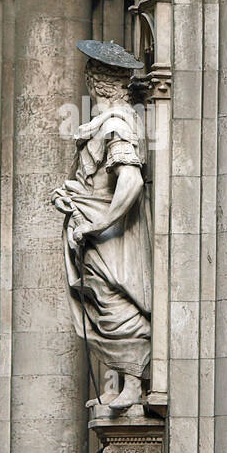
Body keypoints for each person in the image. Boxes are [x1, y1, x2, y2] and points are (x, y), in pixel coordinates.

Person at [53, 40, 152, 411]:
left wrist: (100, 222)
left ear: (97, 83)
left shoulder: (117, 123)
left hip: (111, 236)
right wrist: (71, 194)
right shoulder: (105, 123)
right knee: (101, 297)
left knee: (116, 301)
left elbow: (131, 182)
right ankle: (124, 381)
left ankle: (133, 383)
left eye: (89, 78)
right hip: (95, 233)